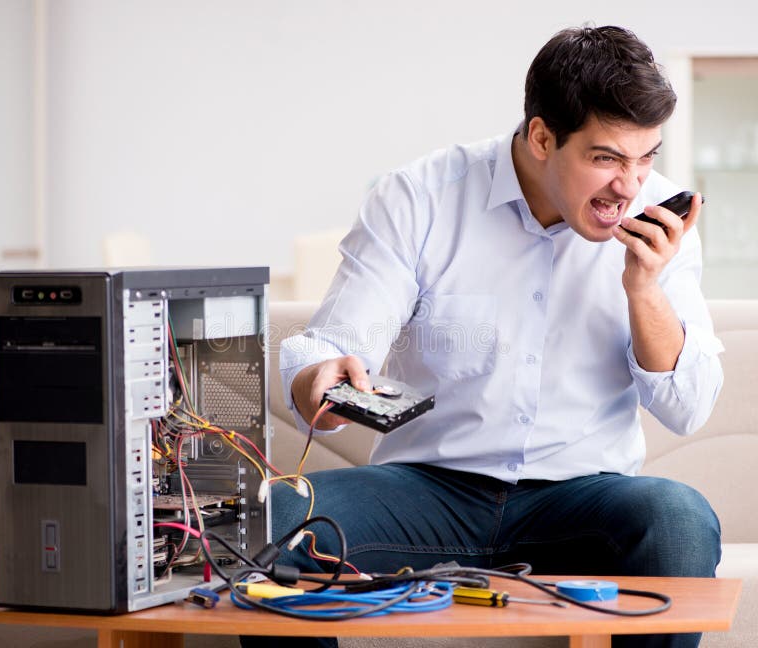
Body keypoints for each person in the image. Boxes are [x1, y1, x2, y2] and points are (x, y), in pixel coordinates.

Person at [251, 25, 724, 648]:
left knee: (679, 520)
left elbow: (687, 408)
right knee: (271, 515)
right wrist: (323, 380)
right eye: (605, 158)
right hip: (428, 490)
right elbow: (331, 345)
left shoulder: (658, 220)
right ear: (541, 136)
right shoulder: (421, 198)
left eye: (646, 158)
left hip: (581, 498)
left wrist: (643, 288)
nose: (630, 186)